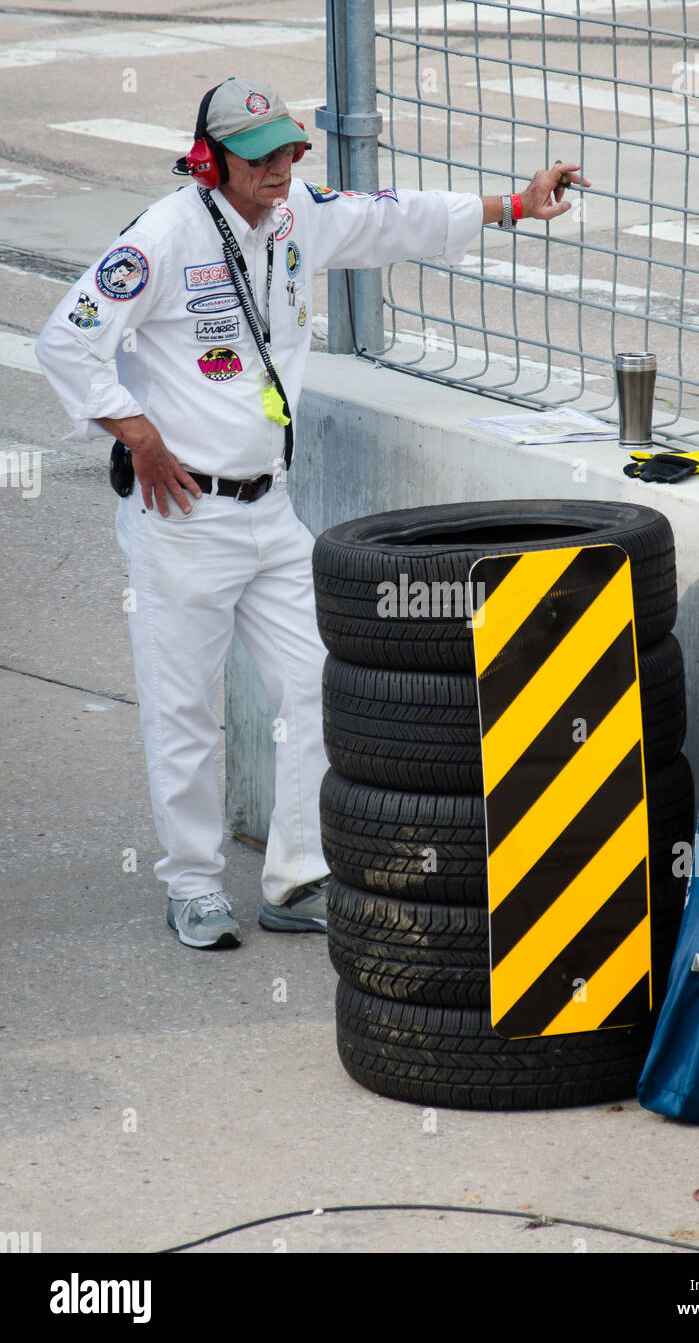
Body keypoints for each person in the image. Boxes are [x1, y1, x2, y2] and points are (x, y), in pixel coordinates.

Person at [35, 75, 588, 951]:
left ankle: (296, 876)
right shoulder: (163, 237)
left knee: (316, 688)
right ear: (211, 161)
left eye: (290, 148)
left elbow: (392, 217)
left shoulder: (300, 215)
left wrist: (515, 201)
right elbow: (66, 339)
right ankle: (191, 885)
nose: (283, 167)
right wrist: (136, 432)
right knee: (185, 711)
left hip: (271, 511)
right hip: (182, 515)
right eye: (260, 156)